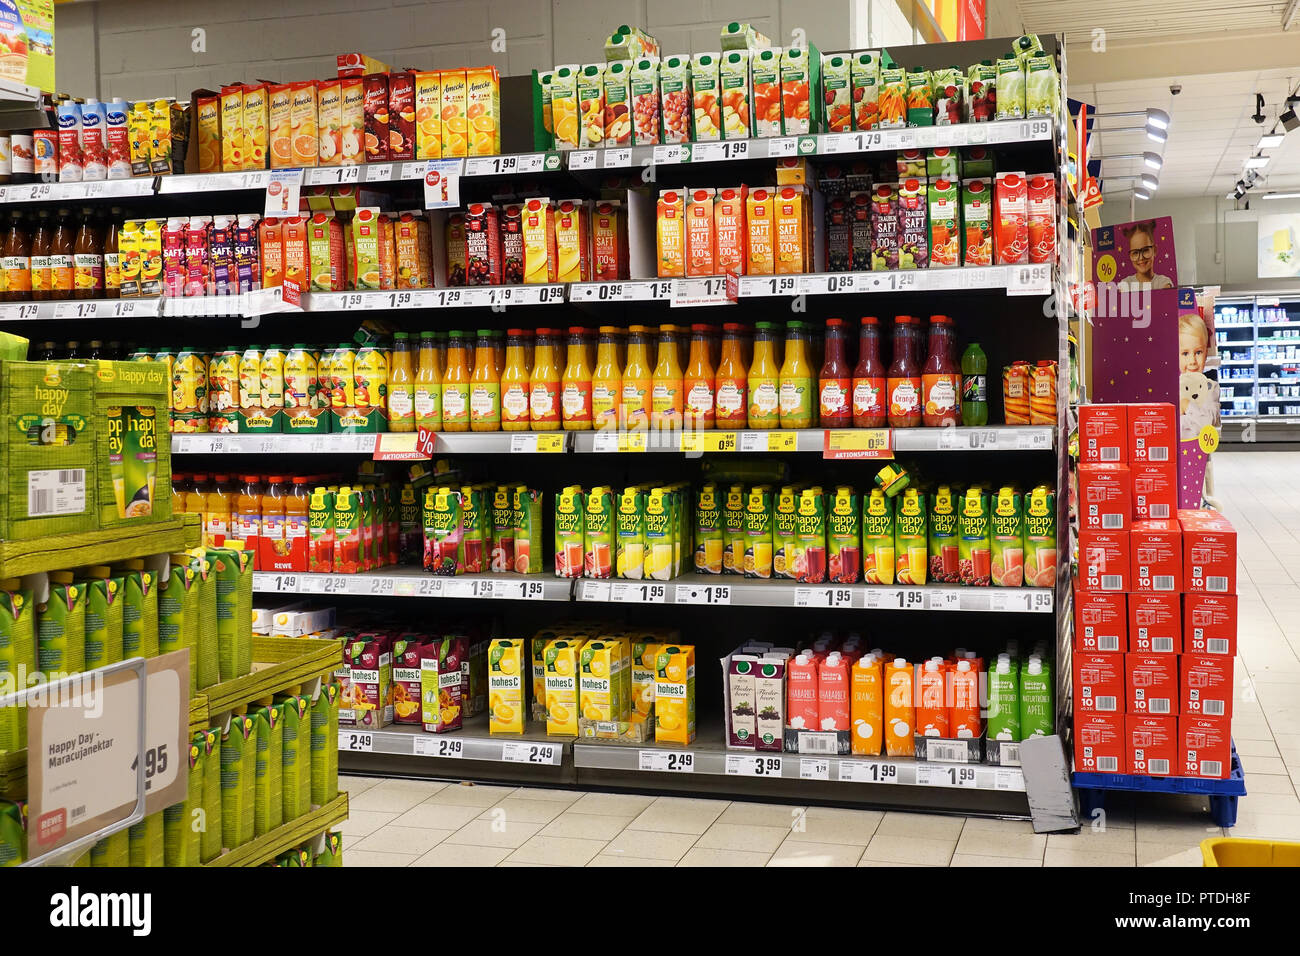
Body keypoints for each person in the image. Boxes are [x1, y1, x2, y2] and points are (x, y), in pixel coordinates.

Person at [1117, 220, 1174, 290]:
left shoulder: (1163, 282)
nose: (1141, 258)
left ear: (1154, 250)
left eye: (1145, 250)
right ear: (1130, 256)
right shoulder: (1125, 284)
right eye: (1135, 253)